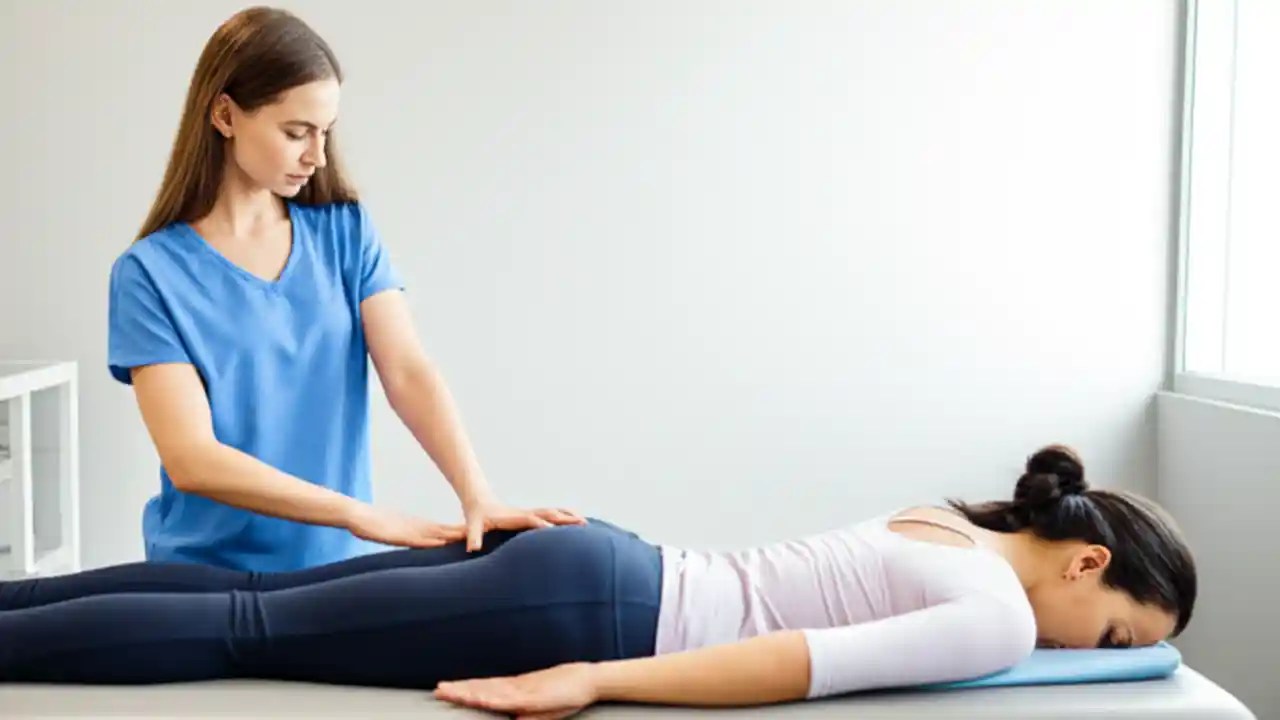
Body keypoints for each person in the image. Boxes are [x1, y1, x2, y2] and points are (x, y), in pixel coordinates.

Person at [0, 445, 1197, 719]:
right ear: (1087, 561)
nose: (1081, 655)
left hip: (607, 561)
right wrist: (591, 679)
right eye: (1108, 634)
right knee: (247, 628)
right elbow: (796, 669)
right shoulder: (991, 613)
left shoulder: (947, 525)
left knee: (237, 599)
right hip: (595, 608)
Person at [106, 6, 584, 573]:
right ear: (225, 114)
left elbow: (406, 370)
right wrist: (357, 514)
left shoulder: (345, 232)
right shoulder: (149, 273)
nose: (318, 155)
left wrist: (477, 494)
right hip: (204, 576)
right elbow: (192, 459)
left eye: (325, 132)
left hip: (334, 574)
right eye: (296, 132)